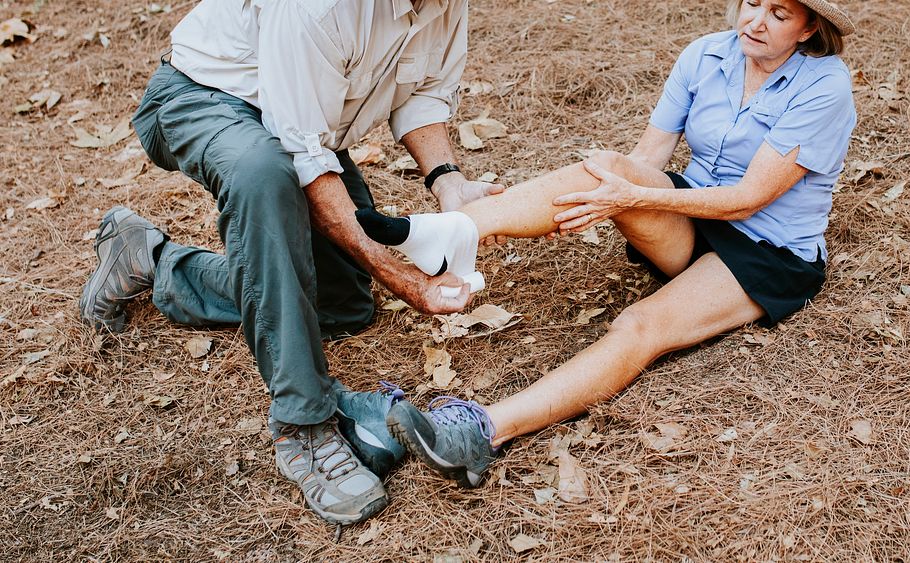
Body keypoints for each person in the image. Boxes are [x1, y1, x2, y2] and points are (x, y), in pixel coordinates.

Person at [361, 0, 858, 488]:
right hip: (692, 213)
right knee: (609, 166)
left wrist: (630, 196)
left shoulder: (826, 85)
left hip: (767, 249)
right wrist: (614, 194)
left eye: (779, 13)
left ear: (809, 27)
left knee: (640, 324)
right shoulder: (707, 54)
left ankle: (480, 431)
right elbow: (644, 159)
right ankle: (459, 229)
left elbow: (747, 200)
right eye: (753, 2)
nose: (755, 21)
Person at [78, 0, 500, 525]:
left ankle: (153, 259)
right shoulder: (318, 7)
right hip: (204, 96)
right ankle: (304, 423)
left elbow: (425, 95)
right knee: (265, 173)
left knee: (340, 303)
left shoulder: (443, 4)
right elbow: (303, 160)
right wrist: (399, 276)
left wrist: (447, 180)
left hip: (299, 121)